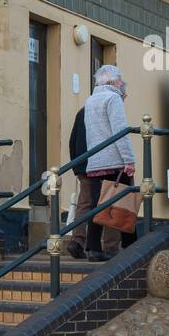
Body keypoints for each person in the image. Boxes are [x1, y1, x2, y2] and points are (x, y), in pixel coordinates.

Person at [82, 65, 137, 261]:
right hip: (114, 161)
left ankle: (94, 248)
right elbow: (120, 131)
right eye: (120, 80)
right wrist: (129, 160)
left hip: (95, 161)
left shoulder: (90, 100)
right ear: (113, 81)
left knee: (97, 206)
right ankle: (132, 246)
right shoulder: (113, 98)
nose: (121, 83)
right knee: (125, 203)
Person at [66, 105, 92, 259]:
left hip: (82, 165)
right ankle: (105, 247)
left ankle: (77, 240)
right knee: (106, 202)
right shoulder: (106, 107)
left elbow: (72, 141)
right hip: (99, 164)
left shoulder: (82, 111)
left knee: (84, 203)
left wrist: (77, 166)